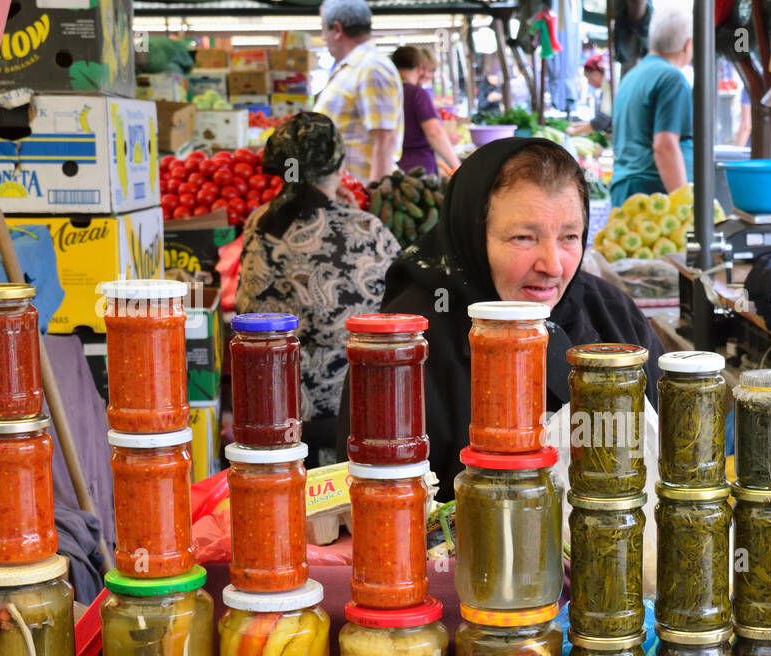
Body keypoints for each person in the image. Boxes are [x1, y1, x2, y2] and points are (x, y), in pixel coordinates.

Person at [336, 137, 665, 495]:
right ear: (473, 235)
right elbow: (378, 504)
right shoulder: (405, 348)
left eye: (569, 237)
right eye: (524, 237)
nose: (552, 265)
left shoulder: (614, 316)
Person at [238, 113, 402, 463]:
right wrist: (351, 217)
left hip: (273, 413)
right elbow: (396, 311)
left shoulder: (258, 222)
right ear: (339, 162)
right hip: (347, 421)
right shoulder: (366, 229)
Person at [609, 1, 693, 207]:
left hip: (626, 189)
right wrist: (684, 207)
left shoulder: (634, 74)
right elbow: (665, 146)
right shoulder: (672, 79)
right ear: (688, 44)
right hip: (651, 195)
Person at [315, 0, 403, 182]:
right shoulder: (353, 68)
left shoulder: (371, 68)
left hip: (358, 193)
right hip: (343, 192)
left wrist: (374, 195)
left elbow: (385, 139)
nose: (323, 37)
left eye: (324, 28)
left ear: (337, 30)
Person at [391, 45, 460, 175]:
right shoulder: (417, 94)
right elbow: (434, 132)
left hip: (394, 166)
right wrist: (457, 166)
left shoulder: (387, 93)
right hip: (418, 168)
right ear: (418, 68)